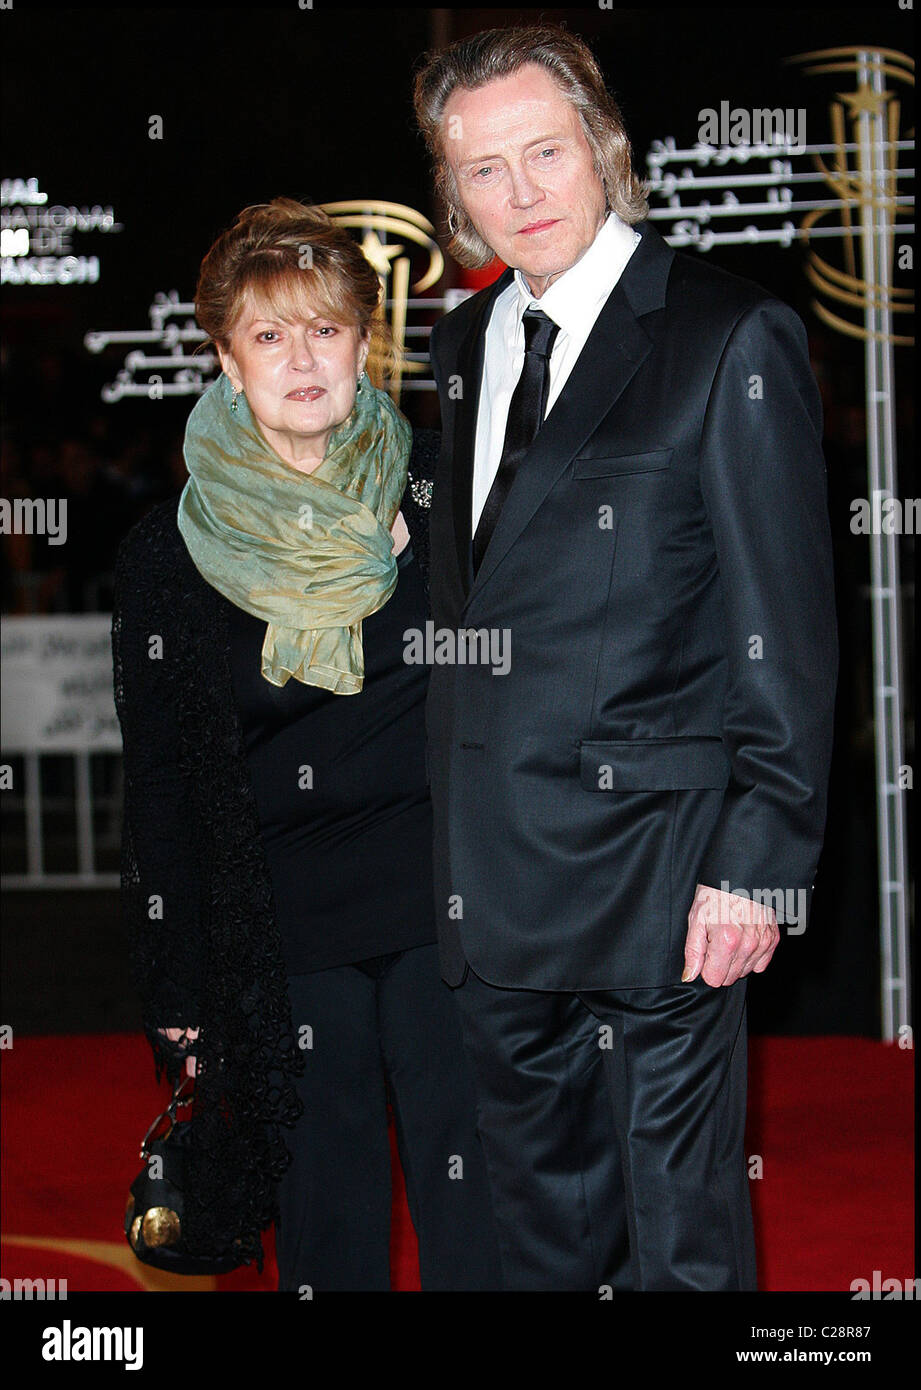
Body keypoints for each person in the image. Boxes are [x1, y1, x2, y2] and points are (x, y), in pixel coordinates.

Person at [413, 24, 838, 1290]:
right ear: (453, 193)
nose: (521, 193)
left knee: (680, 1243)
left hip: (661, 882)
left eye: (544, 152)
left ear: (603, 150)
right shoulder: (457, 351)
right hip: (489, 880)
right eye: (483, 171)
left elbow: (786, 624)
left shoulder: (724, 335)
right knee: (539, 1237)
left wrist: (756, 866)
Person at [111, 198, 501, 1291]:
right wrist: (181, 980)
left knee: (483, 1223)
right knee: (326, 1230)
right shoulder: (168, 551)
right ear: (225, 358)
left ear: (361, 341)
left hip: (451, 915)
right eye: (269, 333)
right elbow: (161, 786)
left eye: (324, 328)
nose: (301, 358)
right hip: (285, 932)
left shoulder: (445, 485)